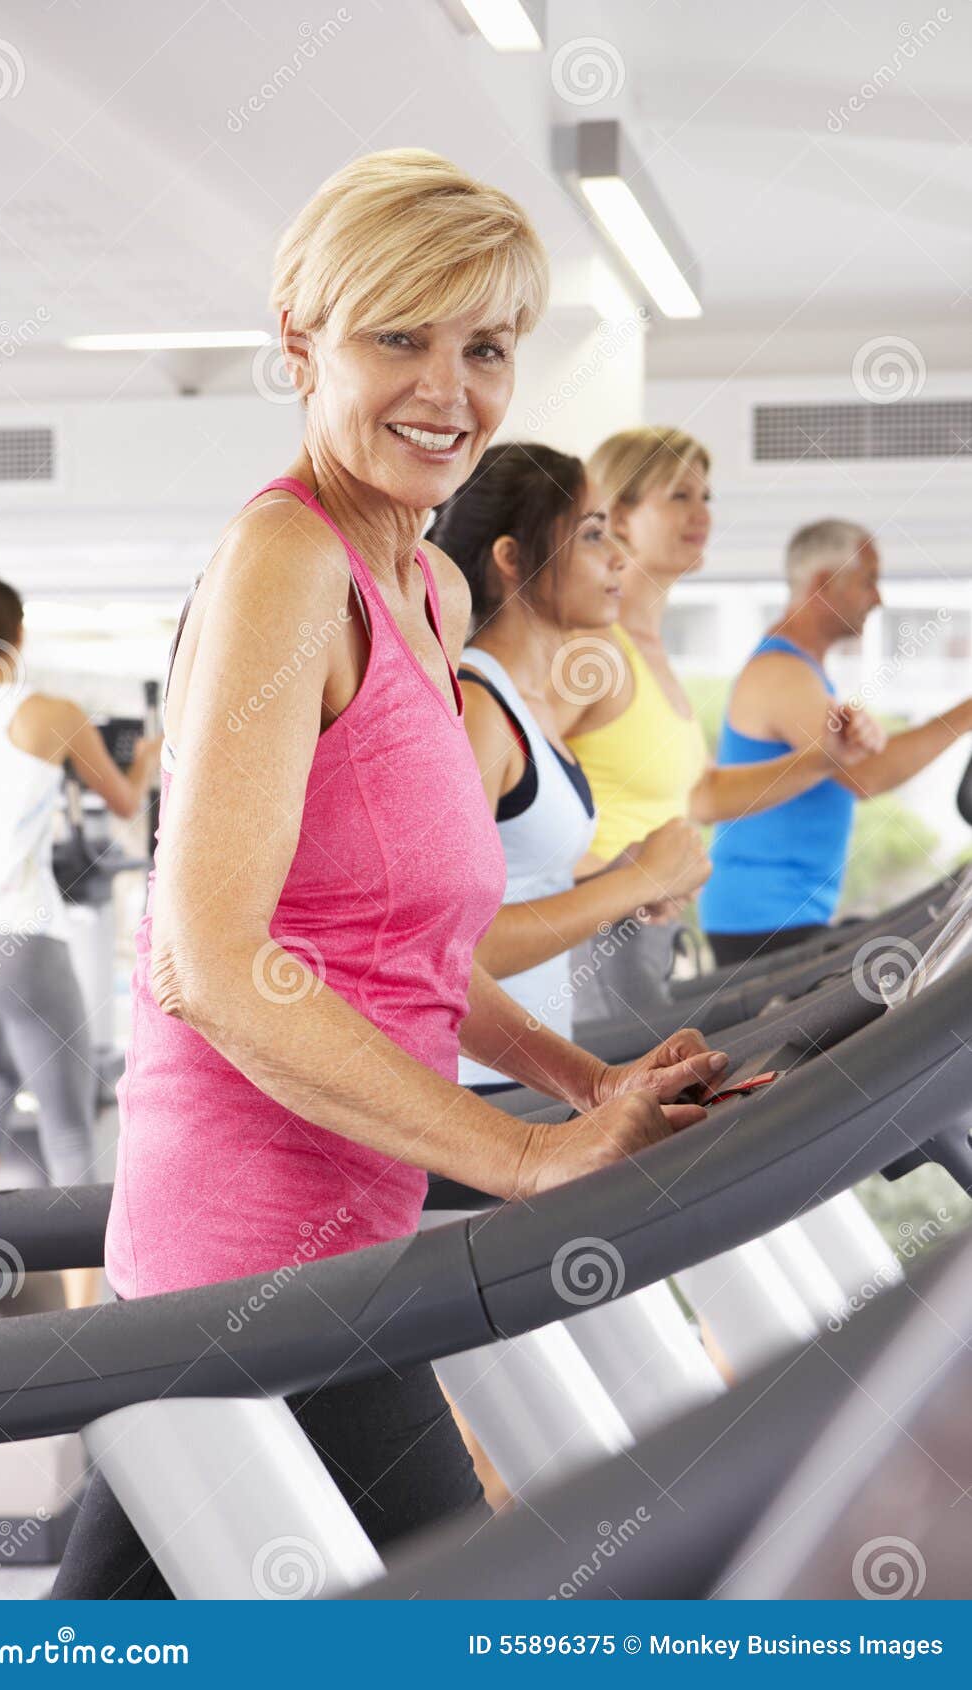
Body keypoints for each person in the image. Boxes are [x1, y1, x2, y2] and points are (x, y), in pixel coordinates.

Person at [52, 150, 728, 1600]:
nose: (447, 388)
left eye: (482, 347)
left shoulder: (422, 581)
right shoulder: (281, 559)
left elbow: (406, 944)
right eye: (396, 336)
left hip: (351, 1228)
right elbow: (211, 960)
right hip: (244, 1262)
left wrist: (572, 1084)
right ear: (299, 348)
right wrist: (519, 1158)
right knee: (459, 1605)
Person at [563, 428, 879, 1024]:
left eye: (706, 498)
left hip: (650, 929)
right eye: (680, 496)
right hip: (594, 936)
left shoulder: (652, 651)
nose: (702, 514)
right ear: (620, 515)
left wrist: (822, 756)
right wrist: (617, 877)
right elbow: (501, 810)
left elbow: (702, 795)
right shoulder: (589, 651)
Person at [0, 574, 161, 1311]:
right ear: (18, 635)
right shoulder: (54, 712)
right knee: (67, 1122)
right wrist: (144, 757)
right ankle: (84, 1323)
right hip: (22, 941)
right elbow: (120, 802)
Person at [427, 441, 710, 1093]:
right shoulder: (477, 708)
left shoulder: (526, 704)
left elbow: (518, 885)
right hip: (472, 1085)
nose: (618, 557)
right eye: (591, 535)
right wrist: (633, 881)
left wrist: (616, 879)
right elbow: (451, 950)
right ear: (510, 559)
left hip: (528, 1070)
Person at [700, 519, 972, 964]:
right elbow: (865, 775)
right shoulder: (782, 673)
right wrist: (967, 713)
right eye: (868, 581)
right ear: (824, 584)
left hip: (779, 917)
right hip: (762, 922)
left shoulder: (804, 671)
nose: (879, 599)